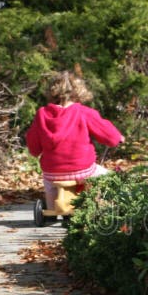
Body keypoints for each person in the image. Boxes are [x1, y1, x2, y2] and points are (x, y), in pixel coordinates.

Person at [26, 70, 124, 209]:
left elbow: (34, 149)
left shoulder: (41, 115)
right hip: (83, 170)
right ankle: (101, 206)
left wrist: (36, 151)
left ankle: (52, 208)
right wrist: (118, 137)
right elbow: (109, 136)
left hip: (52, 172)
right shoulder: (84, 112)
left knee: (49, 184)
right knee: (107, 177)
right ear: (79, 92)